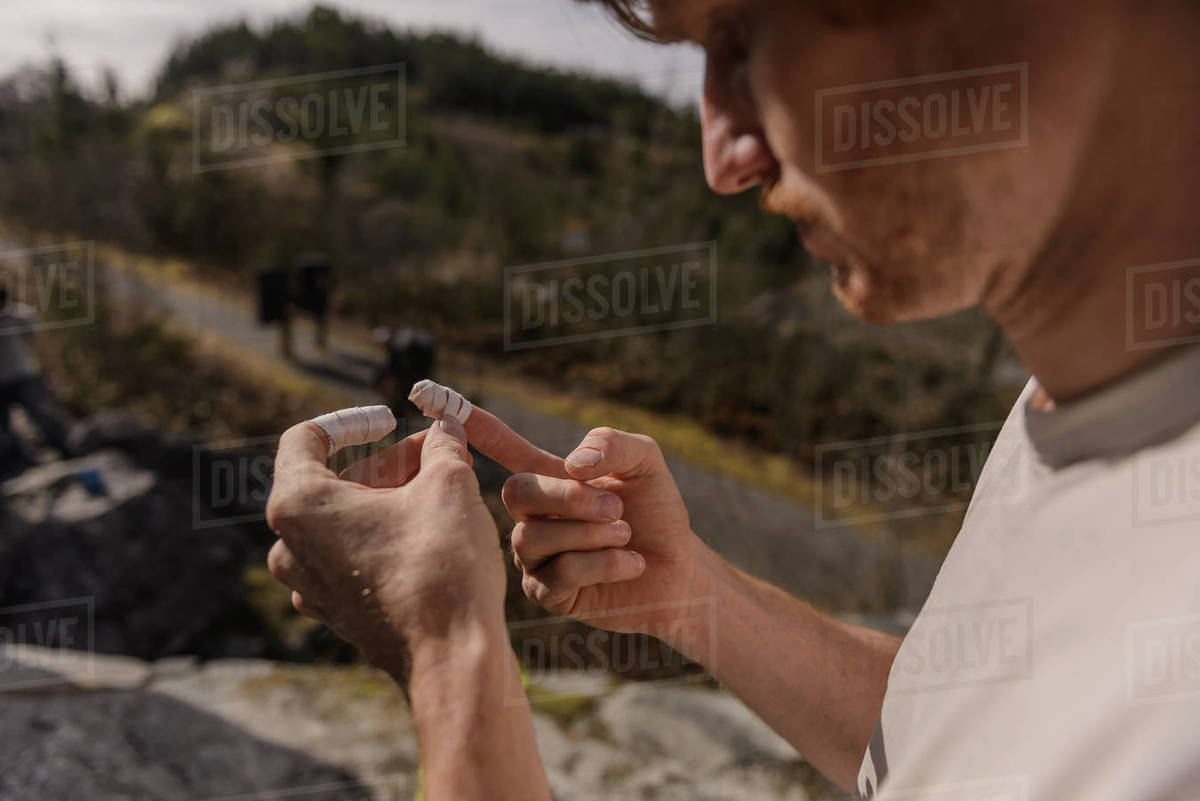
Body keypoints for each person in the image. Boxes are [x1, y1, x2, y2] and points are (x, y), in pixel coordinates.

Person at [263, 1, 1200, 799]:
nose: (724, 159)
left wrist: (448, 647)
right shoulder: (1083, 395)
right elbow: (967, 742)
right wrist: (691, 594)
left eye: (745, 33)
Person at [0, 284, 74, 463]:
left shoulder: (21, 316)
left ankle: (68, 449)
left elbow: (41, 346)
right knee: (4, 427)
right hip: (2, 382)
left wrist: (53, 372)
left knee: (42, 415)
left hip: (24, 375)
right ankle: (21, 460)